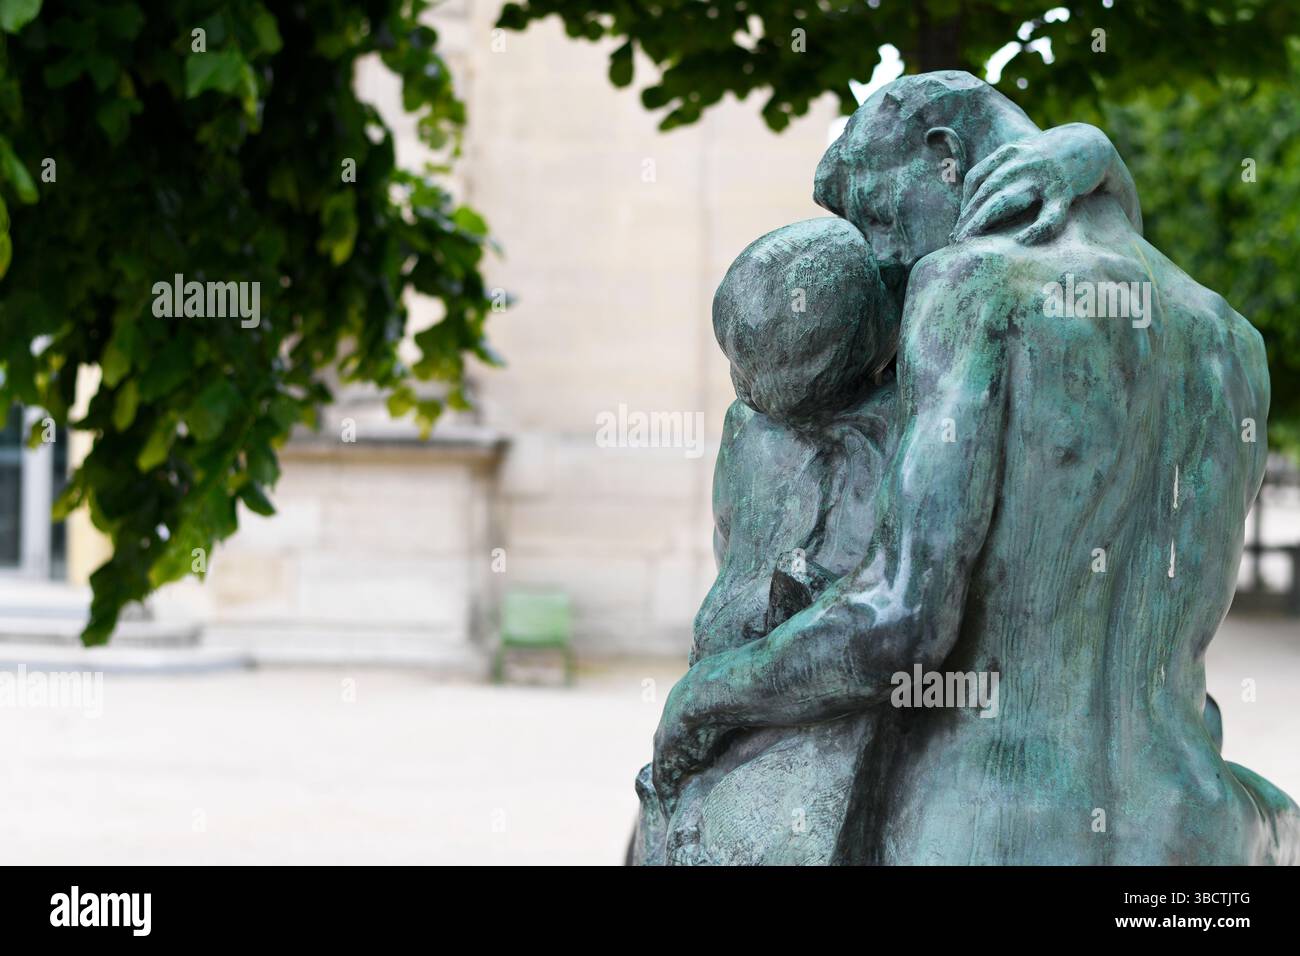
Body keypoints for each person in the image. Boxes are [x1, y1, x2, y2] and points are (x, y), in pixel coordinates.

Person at [652, 71, 1298, 865]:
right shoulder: (1230, 338)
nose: (883, 261)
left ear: (945, 155)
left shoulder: (970, 287)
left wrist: (700, 699)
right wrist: (1098, 160)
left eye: (882, 220)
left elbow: (897, 621)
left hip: (991, 828)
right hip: (1197, 838)